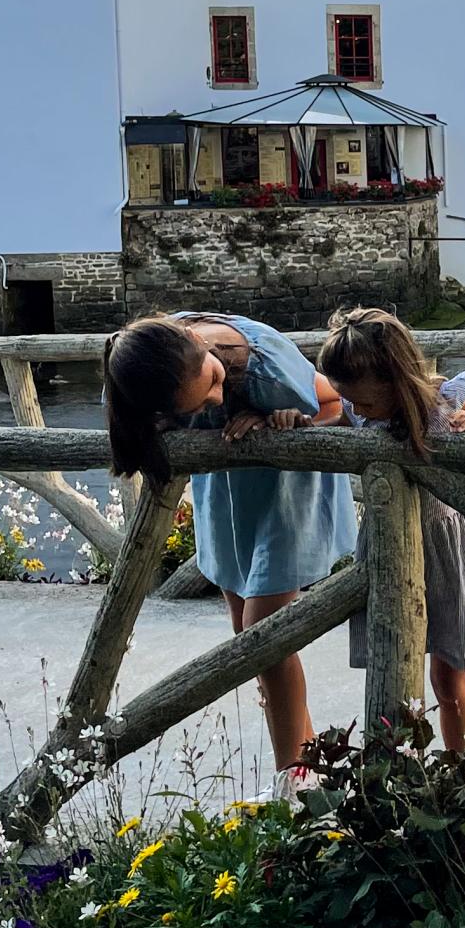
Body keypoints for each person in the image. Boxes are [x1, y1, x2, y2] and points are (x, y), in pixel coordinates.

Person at [103, 312, 357, 781]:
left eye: (216, 381)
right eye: (198, 403)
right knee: (247, 634)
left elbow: (337, 402)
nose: (217, 398)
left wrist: (284, 417)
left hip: (285, 497)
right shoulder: (141, 361)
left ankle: (293, 781)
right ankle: (310, 766)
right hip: (226, 498)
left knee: (267, 641)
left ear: (204, 349)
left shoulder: (266, 363)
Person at [316, 306, 465, 750]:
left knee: (448, 672)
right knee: (393, 662)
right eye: (349, 398)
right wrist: (297, 423)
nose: (358, 408)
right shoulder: (357, 403)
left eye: (366, 401)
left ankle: (461, 767)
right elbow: (337, 422)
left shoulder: (447, 400)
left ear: (397, 379)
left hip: (445, 545)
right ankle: (400, 765)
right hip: (387, 542)